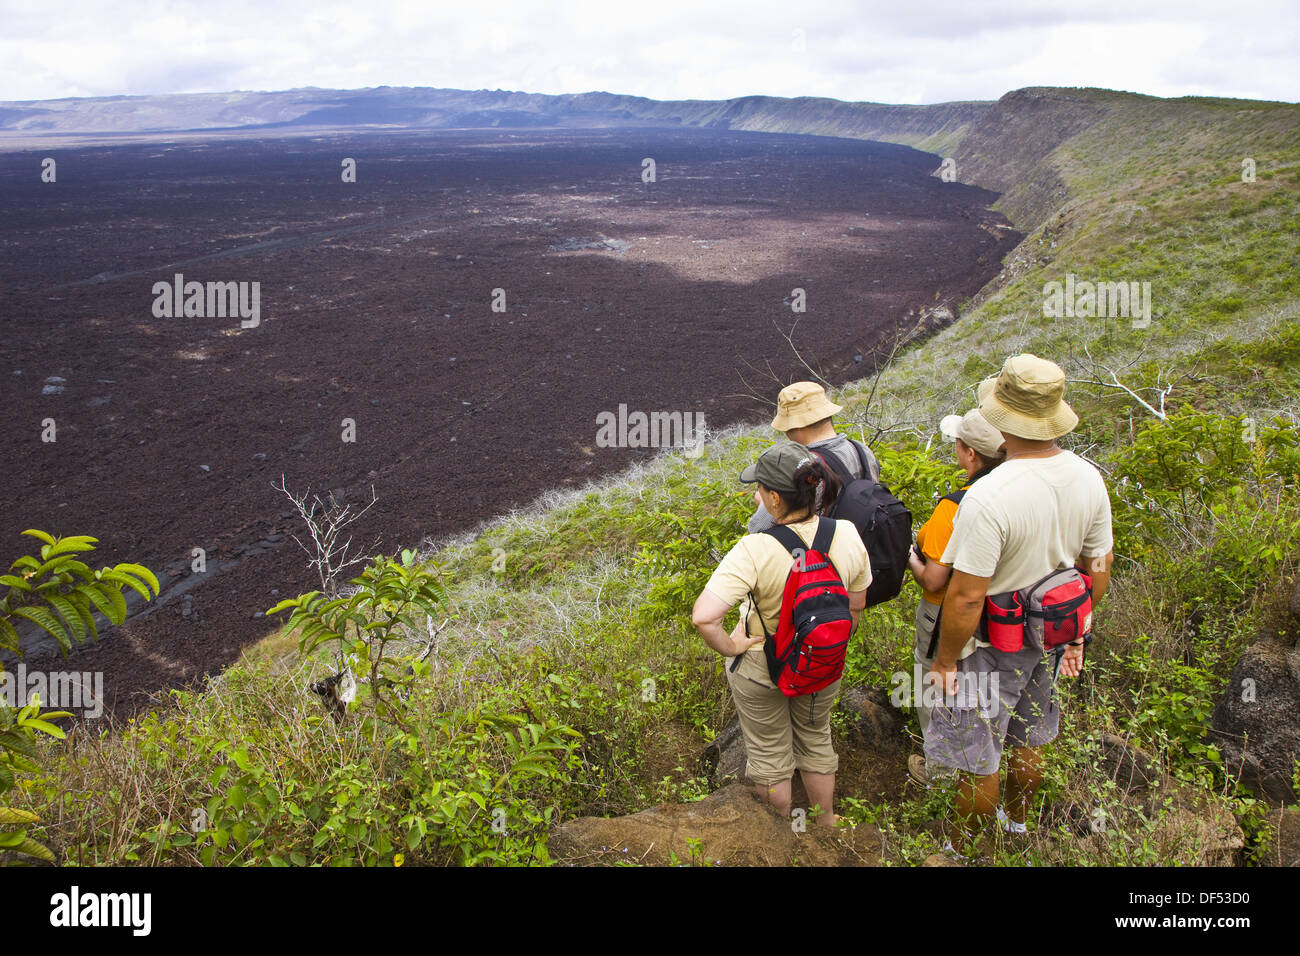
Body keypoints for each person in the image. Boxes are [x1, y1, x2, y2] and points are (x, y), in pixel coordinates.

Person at [925, 354, 1114, 856]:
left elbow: (965, 595)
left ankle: (965, 852)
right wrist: (1075, 634)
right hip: (1050, 636)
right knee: (1031, 736)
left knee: (977, 754)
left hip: (991, 642)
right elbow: (1098, 569)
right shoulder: (1088, 476)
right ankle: (1017, 826)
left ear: (1002, 418)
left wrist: (945, 661)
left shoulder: (988, 496)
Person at [693, 441, 871, 826]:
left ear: (773, 499)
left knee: (771, 754)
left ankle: (783, 835)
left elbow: (705, 618)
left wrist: (733, 646)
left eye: (759, 489)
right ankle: (824, 823)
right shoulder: (847, 533)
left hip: (762, 664)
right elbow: (855, 605)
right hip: (821, 663)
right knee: (815, 737)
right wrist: (825, 643)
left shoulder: (753, 549)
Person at [906, 408, 1005, 786]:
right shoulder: (1013, 491)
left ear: (970, 455)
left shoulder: (954, 505)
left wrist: (911, 558)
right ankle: (984, 755)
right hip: (1002, 613)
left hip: (947, 611)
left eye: (960, 445)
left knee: (934, 680)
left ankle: (941, 770)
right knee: (985, 685)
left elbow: (934, 579)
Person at [748, 382, 880, 534]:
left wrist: (766, 503)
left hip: (829, 552)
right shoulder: (861, 449)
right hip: (870, 547)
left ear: (795, 425)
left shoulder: (801, 467)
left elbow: (759, 528)